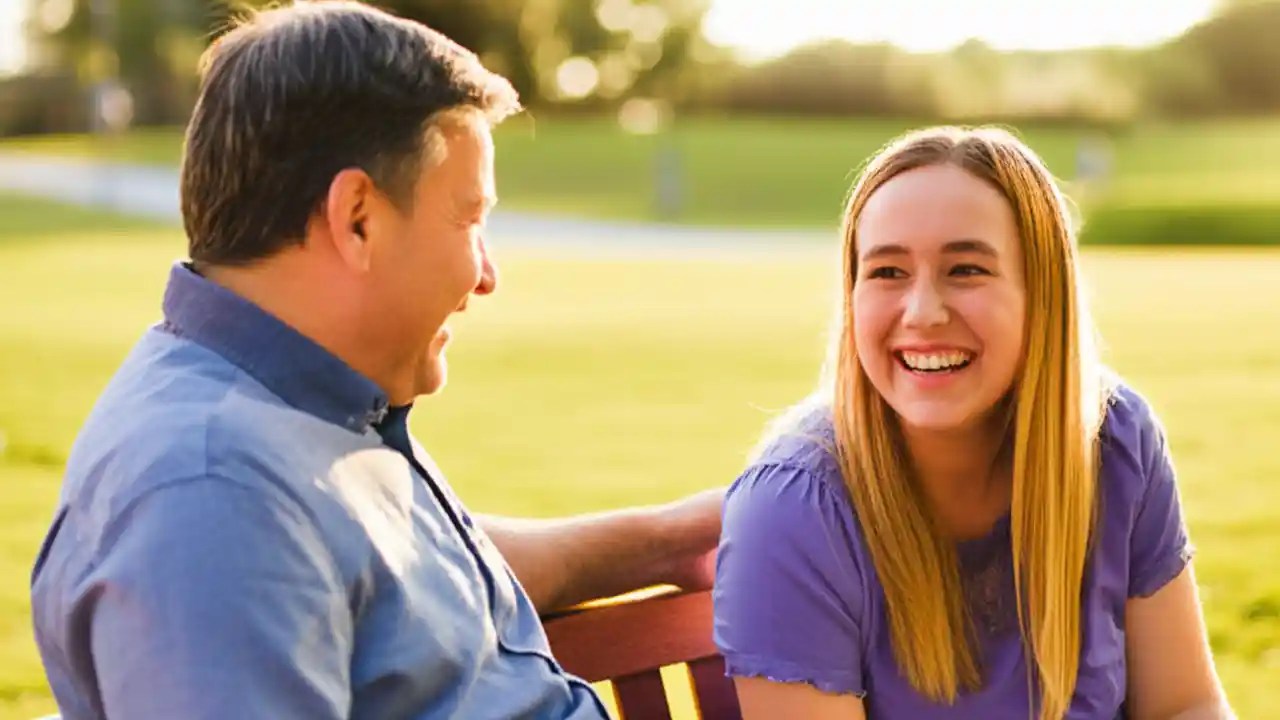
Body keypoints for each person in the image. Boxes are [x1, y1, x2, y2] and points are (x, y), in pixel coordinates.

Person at [29, 3, 721, 718]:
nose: (486, 274)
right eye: (469, 218)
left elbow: (408, 581)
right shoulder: (209, 498)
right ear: (356, 218)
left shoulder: (295, 413)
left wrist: (668, 542)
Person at [712, 127, 1233, 719]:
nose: (923, 312)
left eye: (965, 270)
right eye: (887, 272)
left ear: (1043, 293)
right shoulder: (795, 510)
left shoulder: (1115, 441)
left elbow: (1184, 705)